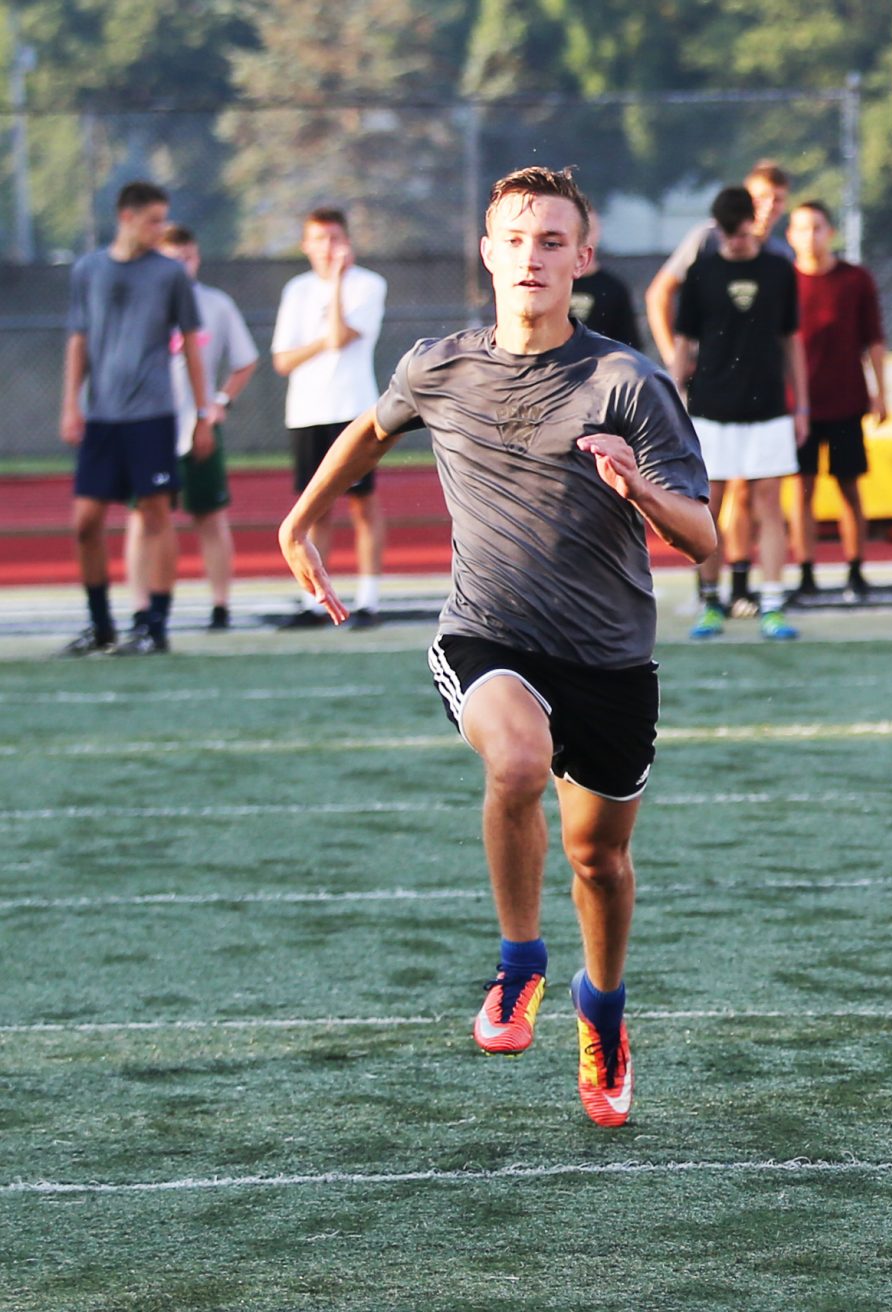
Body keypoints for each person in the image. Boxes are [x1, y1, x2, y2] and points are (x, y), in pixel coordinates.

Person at [279, 165, 716, 1128]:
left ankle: (602, 1012)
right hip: (489, 634)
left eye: (553, 241)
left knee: (598, 861)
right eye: (516, 238)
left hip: (609, 659)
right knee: (516, 761)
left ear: (583, 259)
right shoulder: (439, 364)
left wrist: (636, 487)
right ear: (487, 251)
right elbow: (367, 430)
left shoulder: (627, 382)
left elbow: (705, 539)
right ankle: (520, 964)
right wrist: (300, 521)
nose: (532, 256)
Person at [58, 180, 208, 657]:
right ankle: (101, 624)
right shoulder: (88, 270)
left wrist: (204, 414)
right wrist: (70, 405)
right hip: (102, 417)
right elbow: (78, 339)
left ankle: (153, 624)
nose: (160, 228)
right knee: (86, 522)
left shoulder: (170, 275)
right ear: (126, 217)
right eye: (153, 220)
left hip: (153, 414)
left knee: (155, 513)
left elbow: (191, 343)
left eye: (163, 219)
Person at [675, 186, 806, 640]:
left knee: (769, 503)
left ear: (753, 221)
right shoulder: (702, 272)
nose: (733, 238)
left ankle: (772, 604)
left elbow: (792, 340)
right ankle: (711, 603)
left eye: (739, 228)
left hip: (768, 405)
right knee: (709, 504)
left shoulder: (778, 270)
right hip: (711, 405)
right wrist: (674, 396)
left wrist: (800, 403)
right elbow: (683, 342)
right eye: (725, 231)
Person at [124, 225, 259, 633]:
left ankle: (220, 606)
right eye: (173, 258)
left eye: (189, 256)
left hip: (198, 425)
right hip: (149, 425)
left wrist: (218, 405)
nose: (183, 265)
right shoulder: (139, 302)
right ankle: (140, 606)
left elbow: (245, 359)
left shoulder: (215, 304)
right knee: (144, 518)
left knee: (210, 516)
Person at [272, 206, 388, 629]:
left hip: (352, 409)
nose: (327, 248)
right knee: (314, 507)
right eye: (318, 239)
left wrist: (337, 282)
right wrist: (321, 342)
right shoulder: (297, 290)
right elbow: (284, 360)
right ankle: (315, 601)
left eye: (335, 238)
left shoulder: (367, 285)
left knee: (362, 505)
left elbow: (341, 336)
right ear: (305, 245)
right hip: (307, 412)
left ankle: (368, 599)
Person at [786, 200, 887, 603]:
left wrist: (881, 391)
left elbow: (874, 340)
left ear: (831, 232)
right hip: (798, 405)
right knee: (801, 489)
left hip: (846, 399)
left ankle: (856, 569)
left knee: (849, 487)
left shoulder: (855, 279)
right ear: (791, 236)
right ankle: (806, 571)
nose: (811, 236)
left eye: (818, 227)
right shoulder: (784, 281)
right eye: (802, 228)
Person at [645, 160, 791, 371]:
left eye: (776, 199)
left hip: (758, 374)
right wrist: (673, 358)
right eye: (761, 197)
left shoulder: (781, 255)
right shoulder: (708, 238)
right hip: (707, 368)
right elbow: (659, 294)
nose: (768, 206)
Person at [569, 212, 644, 350]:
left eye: (588, 231)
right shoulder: (550, 285)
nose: (584, 239)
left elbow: (629, 346)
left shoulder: (614, 289)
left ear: (599, 233)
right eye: (578, 231)